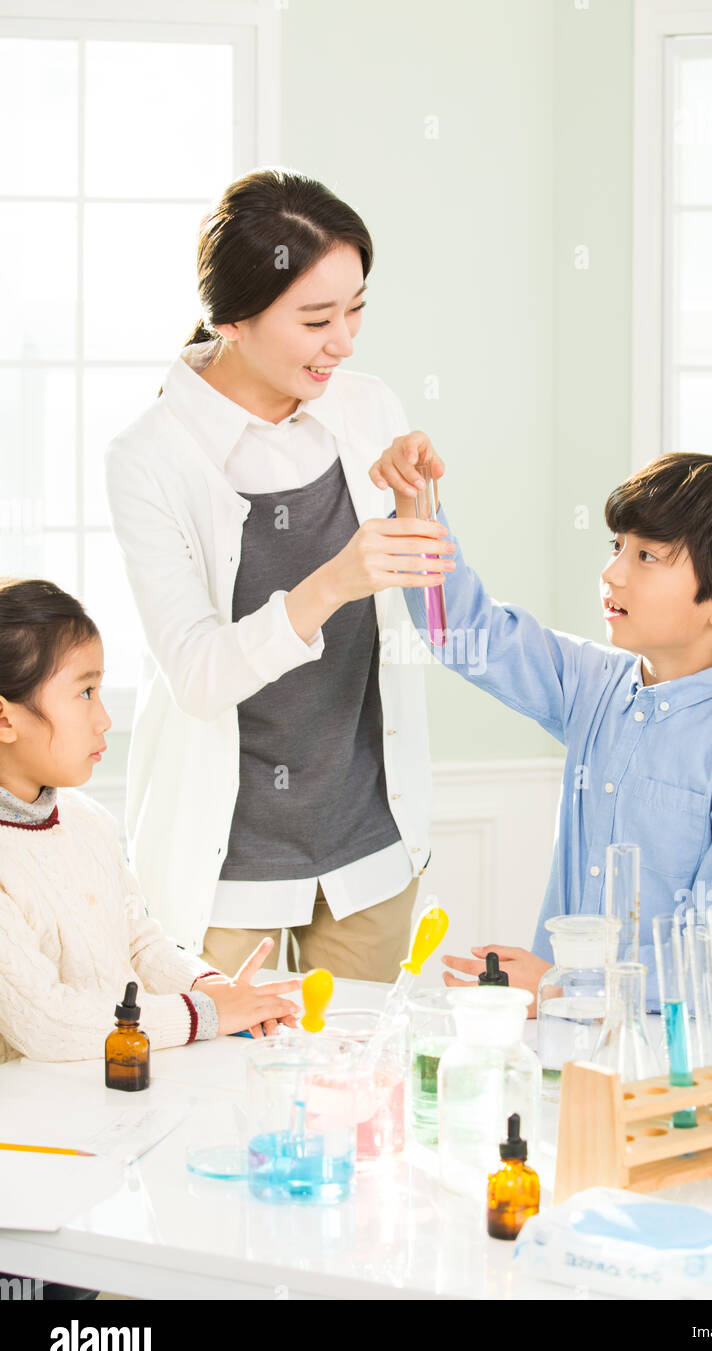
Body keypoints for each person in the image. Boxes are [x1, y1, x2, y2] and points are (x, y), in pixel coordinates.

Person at [104, 168, 452, 983]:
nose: (346, 341)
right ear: (231, 319)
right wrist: (332, 582)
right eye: (317, 318)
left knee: (363, 1092)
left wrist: (416, 509)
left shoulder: (368, 406)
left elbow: (424, 613)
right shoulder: (149, 458)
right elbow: (195, 675)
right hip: (226, 871)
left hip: (369, 843)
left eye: (357, 307)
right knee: (213, 1103)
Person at [370, 448, 712, 1011]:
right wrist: (417, 507)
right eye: (617, 546)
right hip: (554, 1037)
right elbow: (462, 632)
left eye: (648, 556)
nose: (612, 572)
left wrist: (562, 984)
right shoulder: (590, 683)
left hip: (663, 1056)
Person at [0, 578, 302, 1066]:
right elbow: (47, 1024)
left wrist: (210, 987)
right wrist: (204, 1013)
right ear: (4, 720)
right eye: (84, 692)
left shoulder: (86, 821)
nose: (103, 719)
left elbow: (138, 943)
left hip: (115, 1097)